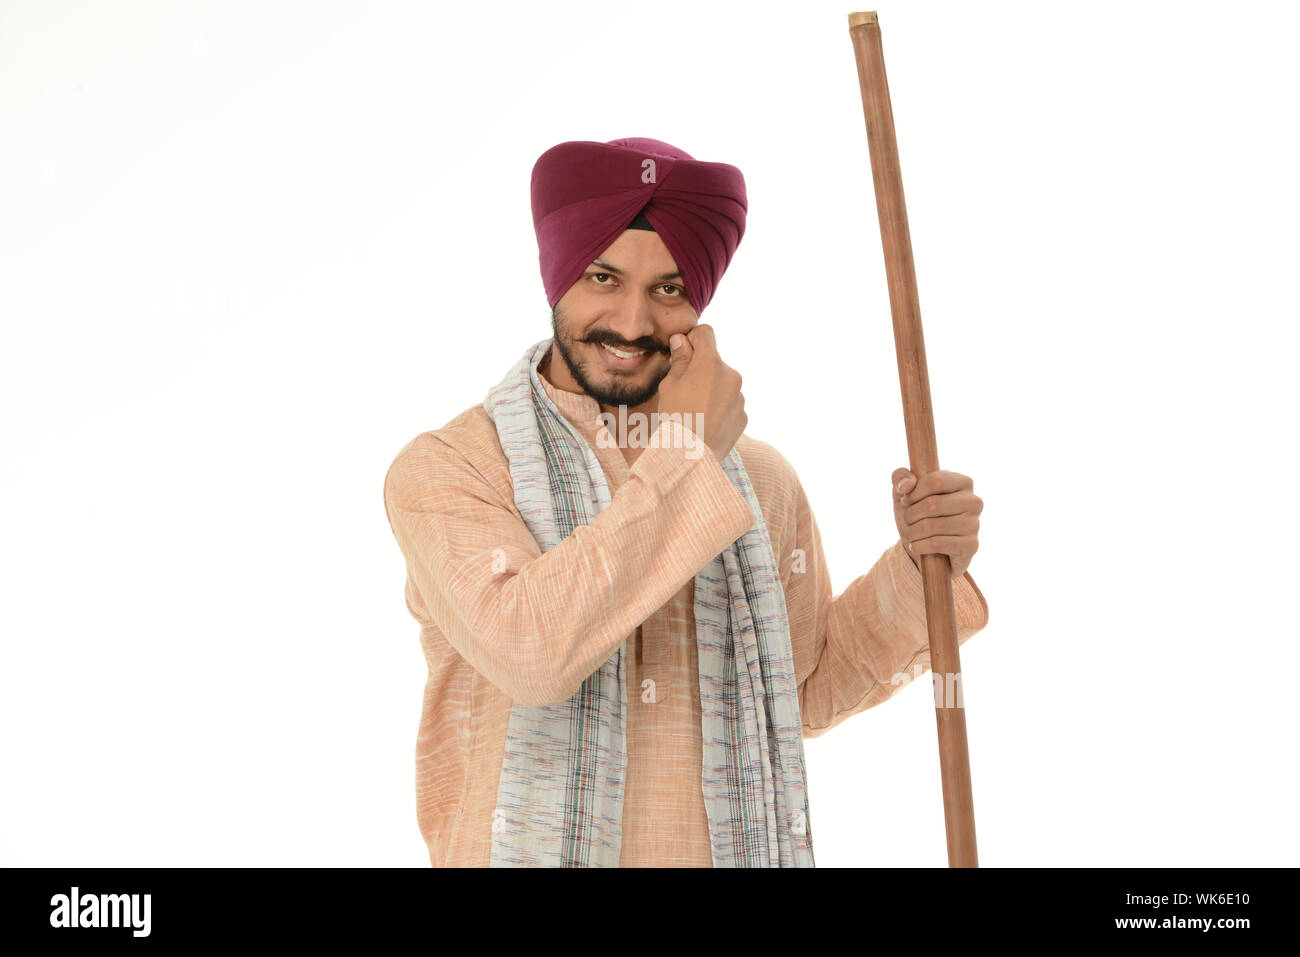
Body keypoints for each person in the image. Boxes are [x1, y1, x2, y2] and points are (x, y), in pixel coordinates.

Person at [382, 136, 989, 868]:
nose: (633, 323)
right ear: (558, 275)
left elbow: (800, 689)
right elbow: (530, 650)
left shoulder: (755, 480)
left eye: (668, 290)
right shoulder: (453, 468)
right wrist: (691, 456)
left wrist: (921, 563)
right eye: (603, 276)